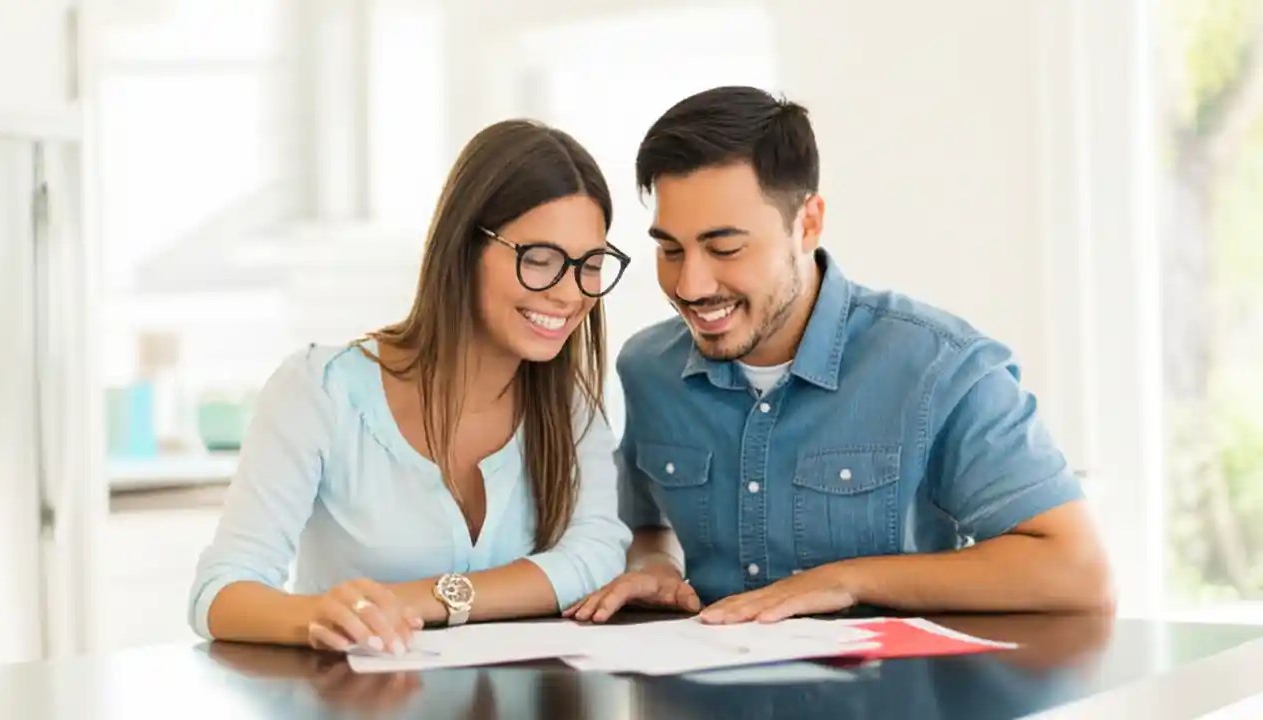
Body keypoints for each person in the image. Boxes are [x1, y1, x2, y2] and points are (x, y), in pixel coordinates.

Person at [568, 86, 1113, 625]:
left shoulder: (940, 368)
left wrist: (843, 580)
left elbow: (1078, 569)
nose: (690, 284)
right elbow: (645, 522)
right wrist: (658, 565)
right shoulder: (647, 369)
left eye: (725, 248)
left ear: (807, 223)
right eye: (670, 249)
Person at [190, 119, 633, 654]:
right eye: (539, 261)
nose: (569, 294)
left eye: (589, 265)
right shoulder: (319, 391)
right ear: (464, 246)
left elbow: (596, 553)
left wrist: (424, 599)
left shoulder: (571, 408)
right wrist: (317, 615)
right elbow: (220, 592)